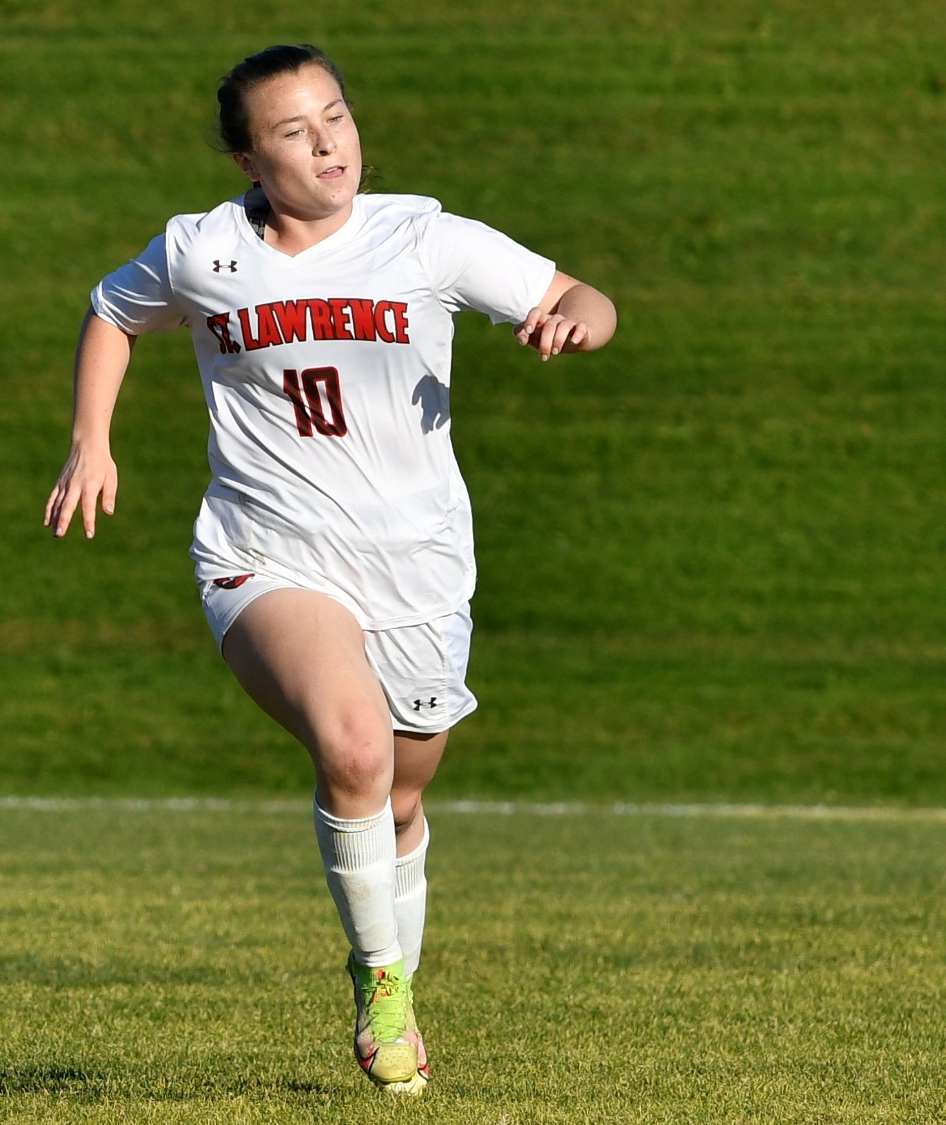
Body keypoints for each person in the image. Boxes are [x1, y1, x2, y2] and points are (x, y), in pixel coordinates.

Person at [45, 43, 615, 1095]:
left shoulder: (421, 239)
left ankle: (389, 955)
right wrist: (92, 439)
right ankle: (379, 985)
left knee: (397, 794)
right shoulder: (199, 251)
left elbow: (584, 295)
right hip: (265, 557)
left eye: (337, 118)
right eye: (294, 133)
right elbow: (112, 313)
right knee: (351, 748)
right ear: (247, 159)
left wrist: (572, 323)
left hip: (417, 567)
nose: (327, 145)